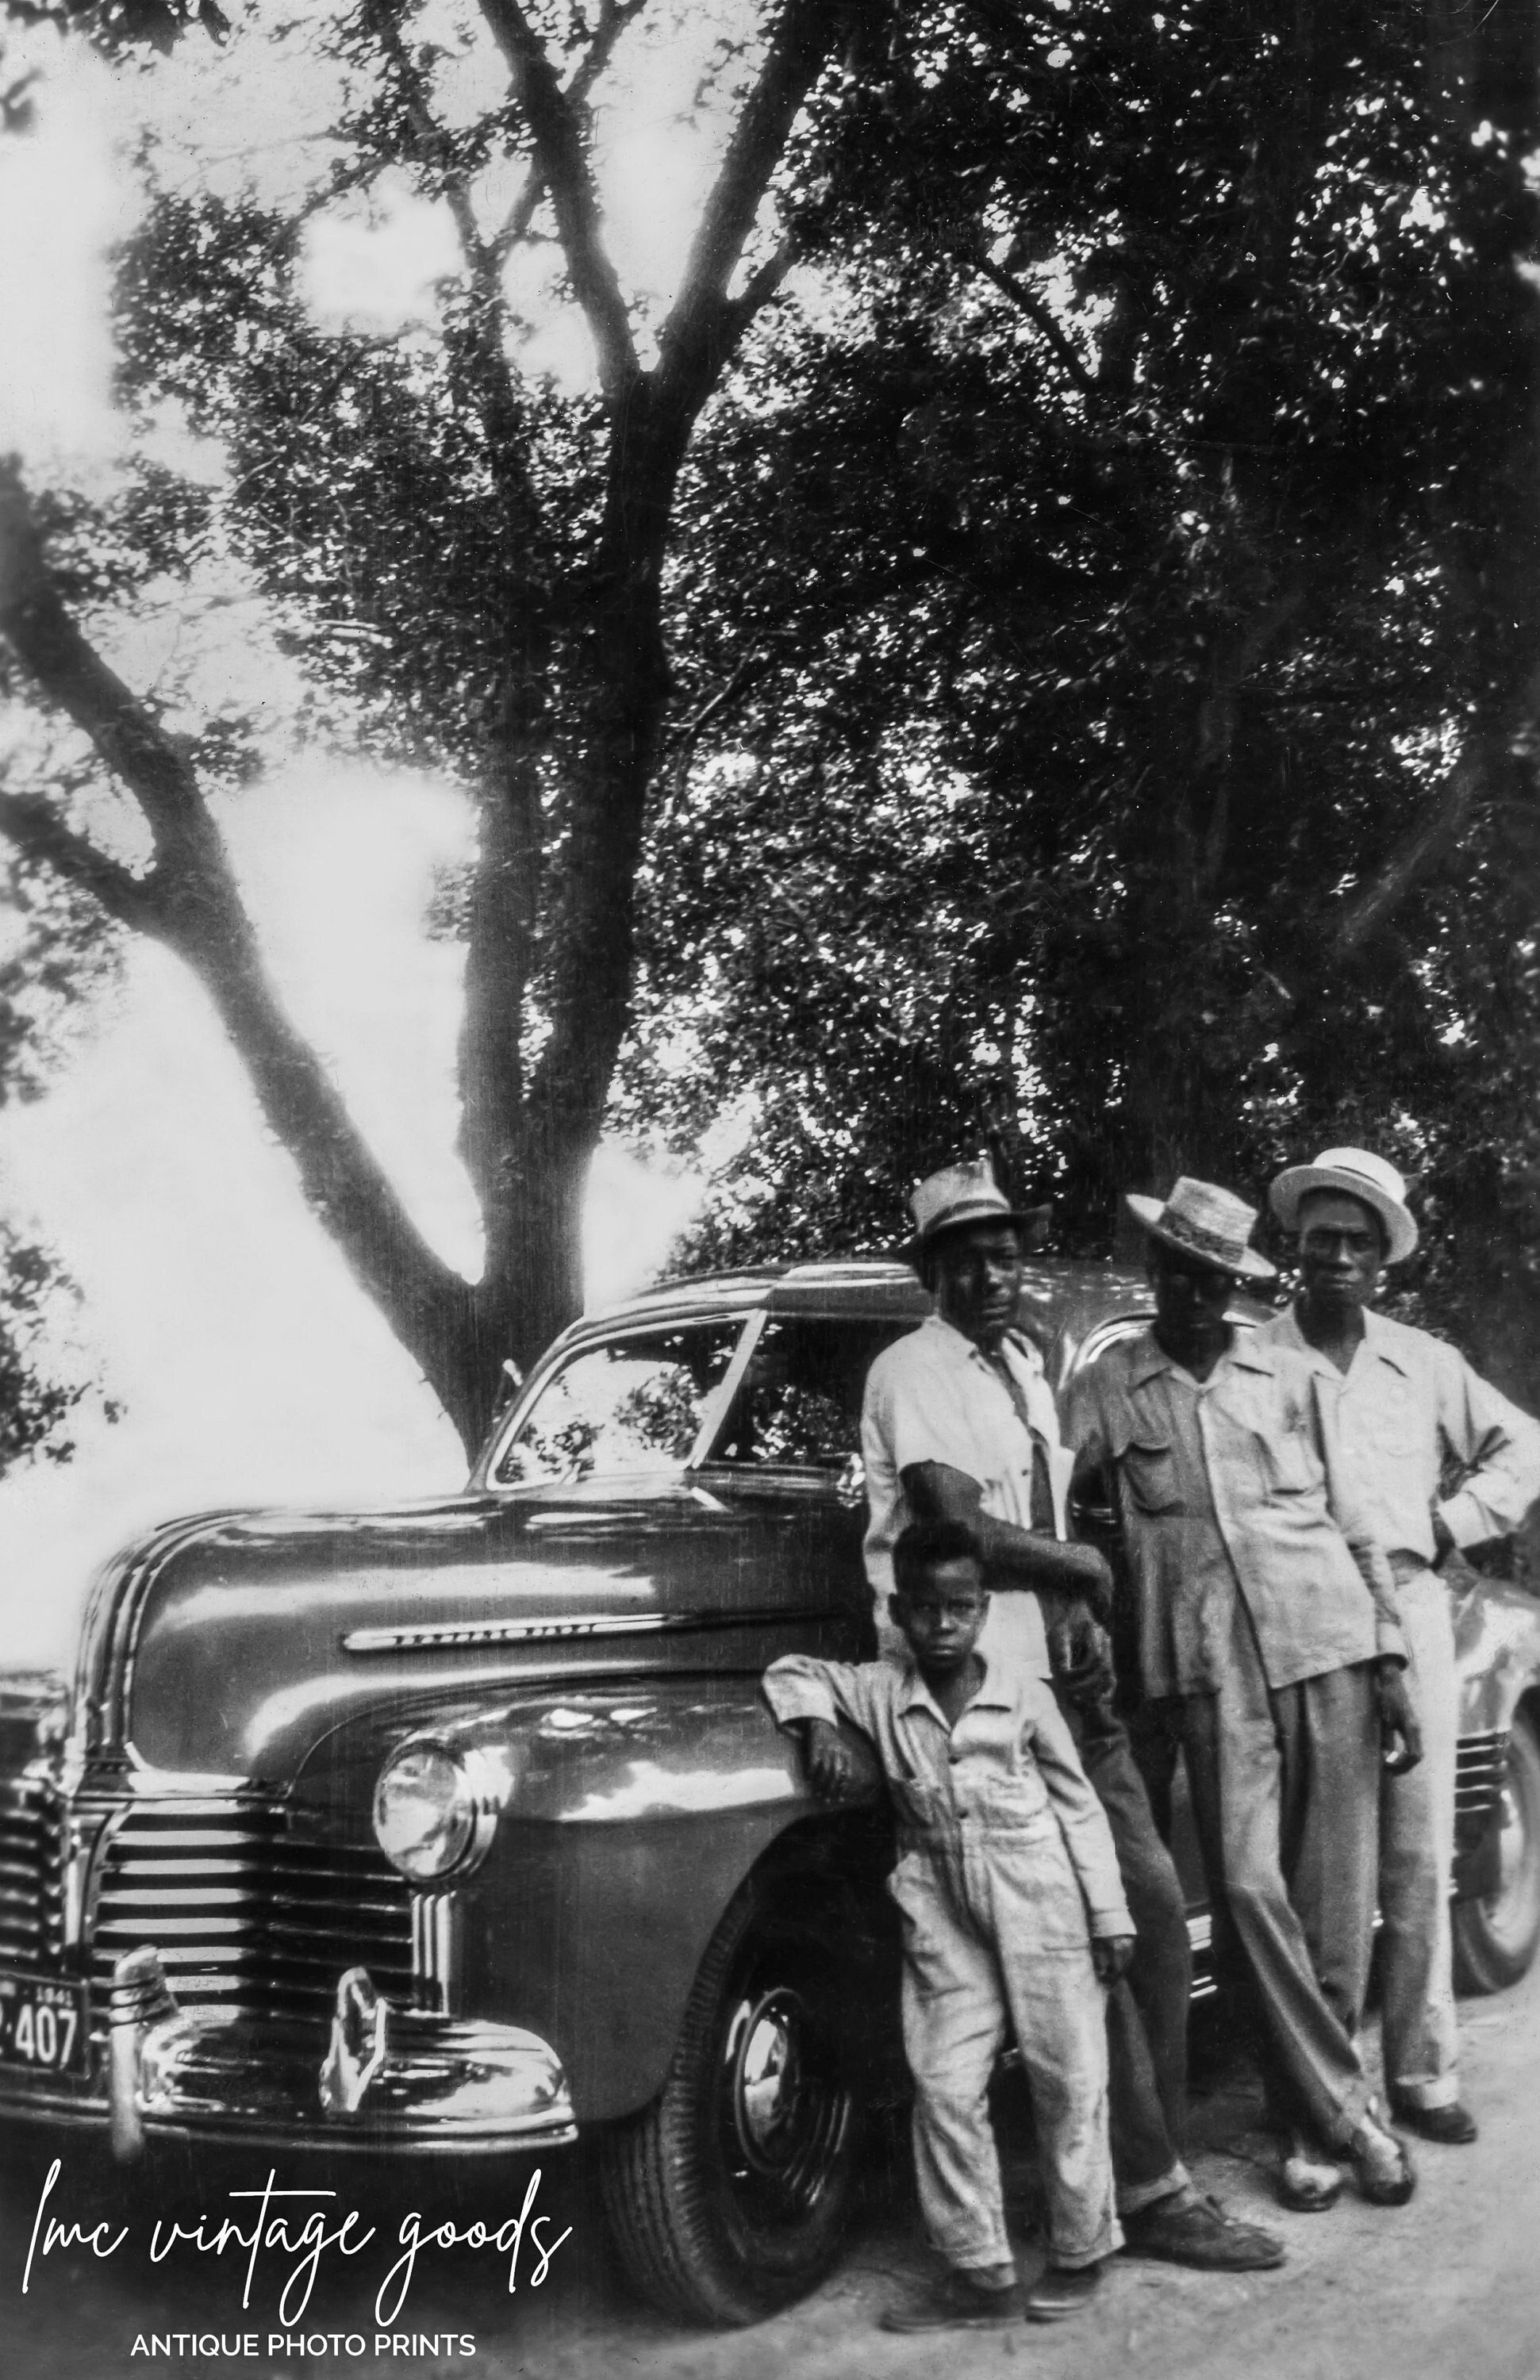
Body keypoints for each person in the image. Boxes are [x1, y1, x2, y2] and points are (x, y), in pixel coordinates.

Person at [861, 1156, 1281, 2270]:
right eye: (970, 1259)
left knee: (1145, 1905)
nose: (995, 1274)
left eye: (1006, 1254)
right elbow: (951, 1528)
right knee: (1091, 1939)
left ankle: (1148, 2175)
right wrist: (1087, 1572)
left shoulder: (1024, 1370)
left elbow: (1038, 1502)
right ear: (934, 1273)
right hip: (974, 1705)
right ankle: (1146, 2191)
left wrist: (1075, 1615)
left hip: (1055, 1689)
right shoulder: (914, 1372)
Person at [1066, 1175, 1421, 2213]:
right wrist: (1076, 1592)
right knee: (1254, 1894)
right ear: (1152, 1271)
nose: (1189, 1290)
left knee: (1334, 1907)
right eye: (1173, 1269)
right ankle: (1353, 2117)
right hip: (1209, 1673)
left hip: (1331, 1646)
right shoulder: (1110, 1384)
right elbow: (1042, 1492)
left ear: (1232, 1285)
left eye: (1210, 1276)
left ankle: (1307, 2129)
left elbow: (1354, 1523)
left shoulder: (1285, 1373)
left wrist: (1391, 1659)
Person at [764, 1519, 1134, 2331]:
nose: (941, 1626)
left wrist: (1108, 1914)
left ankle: (1080, 2248)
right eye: (924, 1610)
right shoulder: (882, 1691)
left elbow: (1079, 1805)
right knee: (943, 2083)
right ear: (898, 1610)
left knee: (1068, 2076)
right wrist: (819, 1725)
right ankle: (982, 2274)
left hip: (1041, 1893)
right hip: (939, 1899)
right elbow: (792, 1671)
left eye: (959, 1609)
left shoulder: (1024, 1694)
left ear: (984, 1610)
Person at [1264, 1145, 1540, 2144]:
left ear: (1384, 1260)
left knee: (1418, 1851)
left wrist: (1452, 1523)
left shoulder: (1422, 1362)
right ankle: (1331, 2094)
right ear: (1293, 1249)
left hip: (1414, 1607)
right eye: (1319, 1239)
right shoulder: (1260, 1358)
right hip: (1309, 1619)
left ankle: (1424, 2073)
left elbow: (1525, 1445)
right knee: (1327, 1870)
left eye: (1356, 1242)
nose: (1335, 1257)